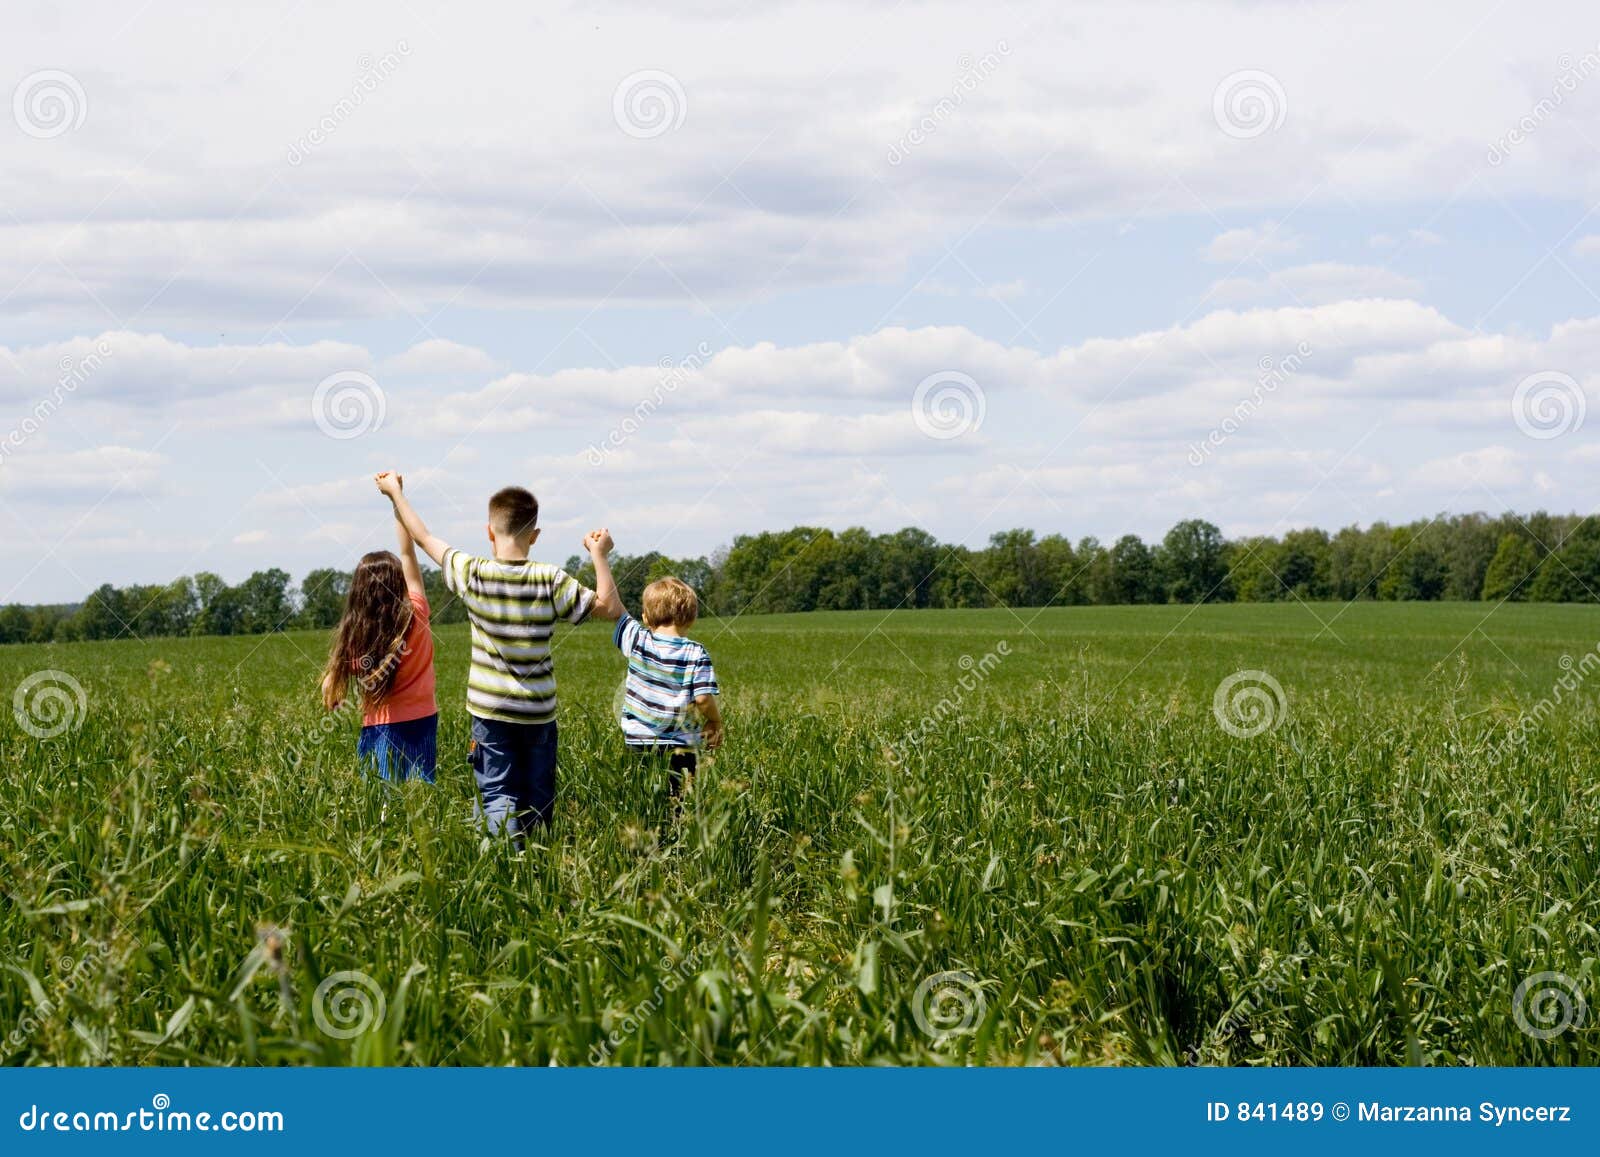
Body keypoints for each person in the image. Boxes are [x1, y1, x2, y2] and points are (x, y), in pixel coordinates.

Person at [374, 471, 623, 837]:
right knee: (538, 797)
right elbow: (609, 606)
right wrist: (599, 555)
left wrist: (395, 493)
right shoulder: (551, 579)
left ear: (489, 531)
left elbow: (423, 537)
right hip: (539, 712)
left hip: (489, 711)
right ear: (534, 536)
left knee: (497, 794)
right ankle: (538, 867)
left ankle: (508, 867)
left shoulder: (473, 573)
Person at [320, 499, 437, 782]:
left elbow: (337, 673)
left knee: (380, 799)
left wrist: (331, 681)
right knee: (419, 794)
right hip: (422, 719)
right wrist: (396, 498)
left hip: (378, 726)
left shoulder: (358, 636)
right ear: (398, 582)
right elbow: (408, 554)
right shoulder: (417, 614)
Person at [600, 535, 723, 800]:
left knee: (645, 806)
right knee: (678, 808)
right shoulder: (696, 652)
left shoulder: (637, 639)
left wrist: (600, 555)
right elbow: (702, 698)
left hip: (638, 743)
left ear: (645, 617)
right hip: (681, 748)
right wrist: (714, 720)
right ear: (691, 617)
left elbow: (611, 604)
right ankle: (676, 842)